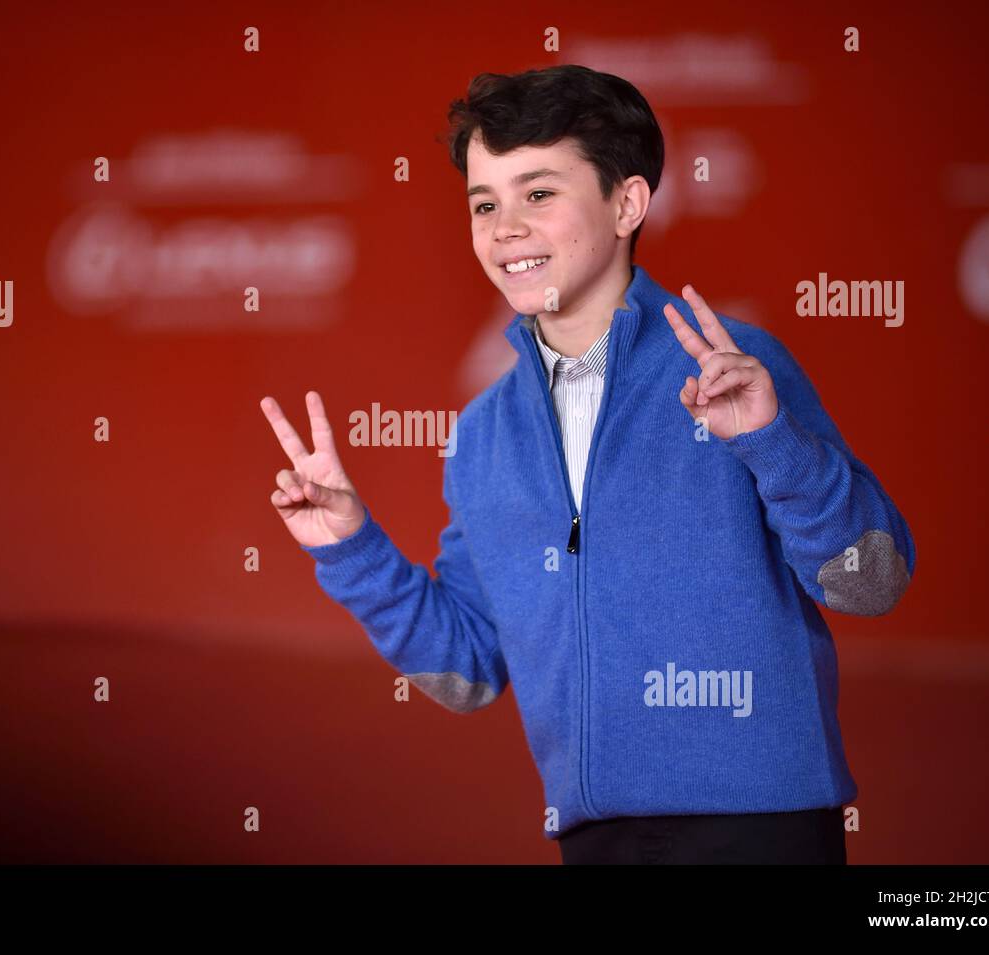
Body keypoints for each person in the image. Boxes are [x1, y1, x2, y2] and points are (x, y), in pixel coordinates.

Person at [259, 64, 914, 864]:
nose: (505, 229)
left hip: (762, 826)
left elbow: (870, 581)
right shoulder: (484, 435)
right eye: (483, 203)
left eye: (539, 194)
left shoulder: (736, 366)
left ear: (627, 204)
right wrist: (350, 546)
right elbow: (468, 672)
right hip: (592, 836)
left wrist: (770, 440)